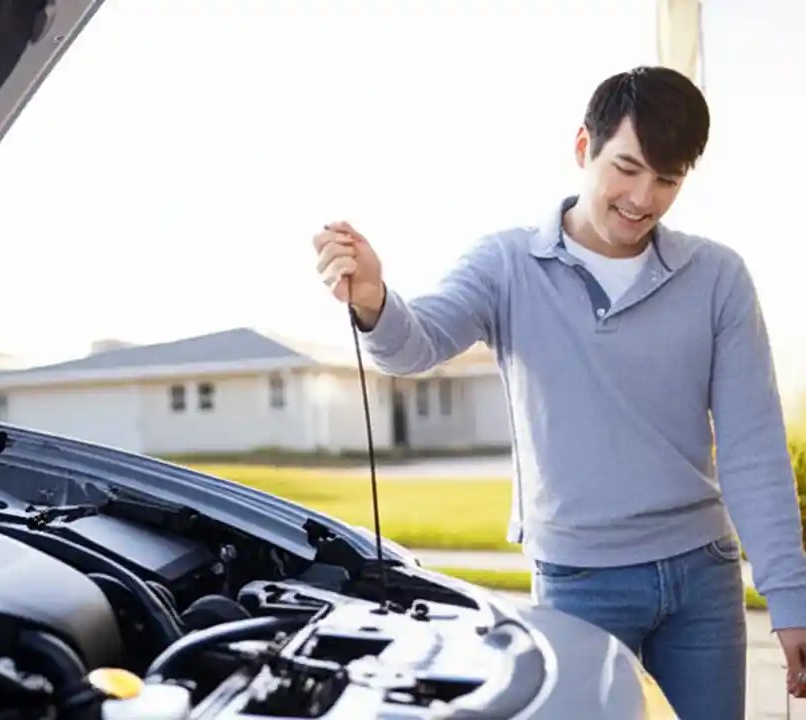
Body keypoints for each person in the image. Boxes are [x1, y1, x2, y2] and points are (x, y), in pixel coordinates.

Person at [313, 65, 806, 718]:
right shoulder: (508, 265)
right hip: (579, 585)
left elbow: (752, 447)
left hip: (702, 582)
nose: (643, 198)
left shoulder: (717, 277)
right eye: (627, 168)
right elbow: (416, 343)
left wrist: (790, 596)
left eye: (667, 179)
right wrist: (374, 300)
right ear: (584, 149)